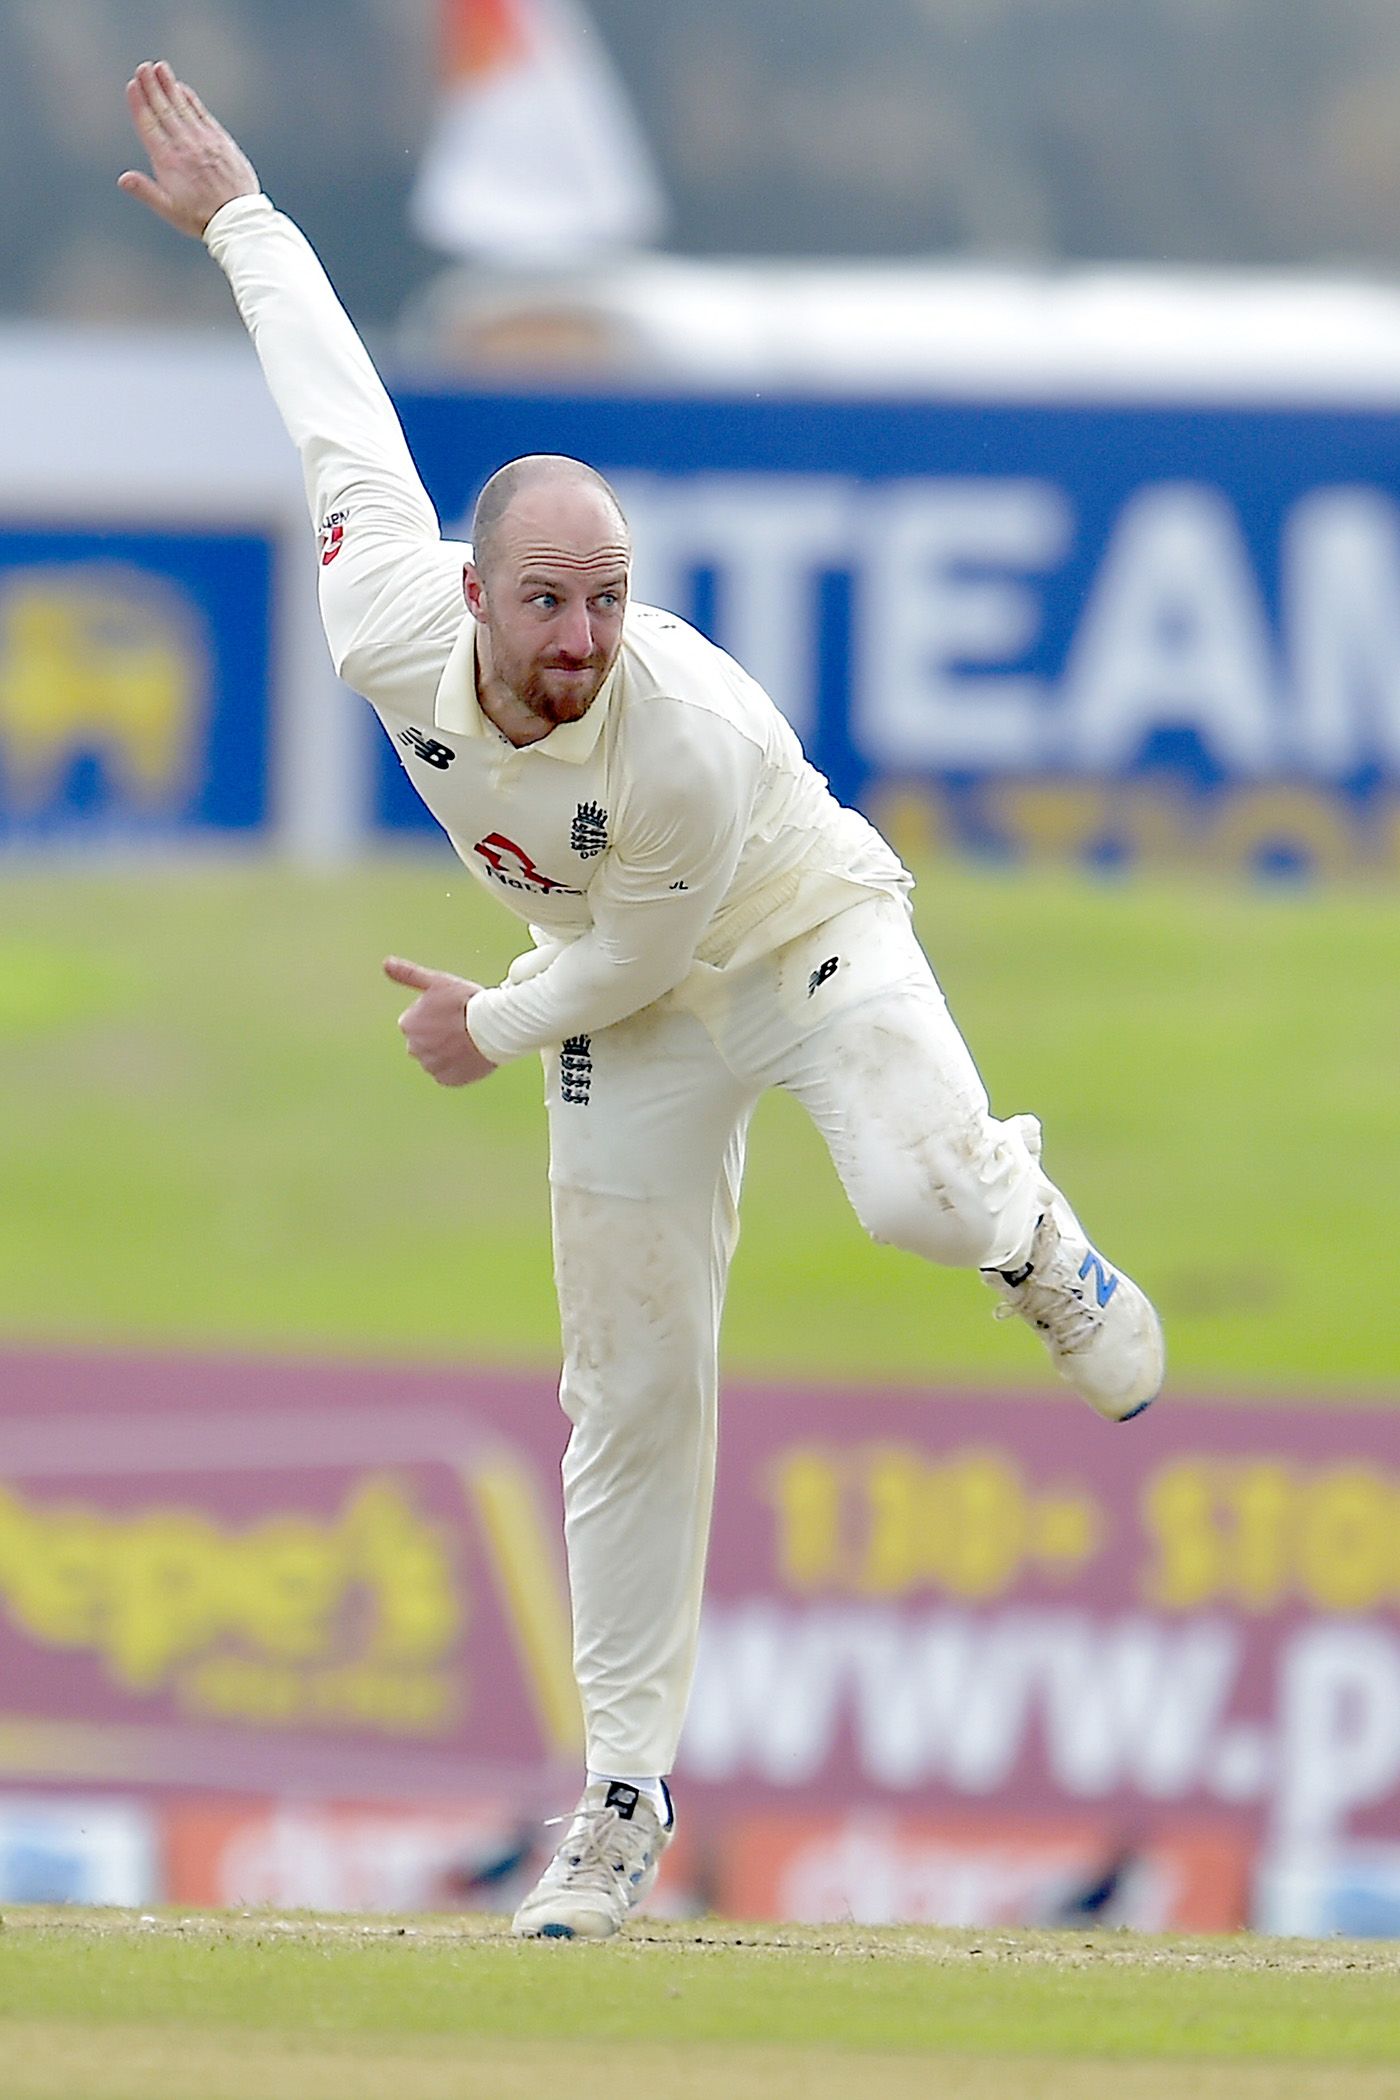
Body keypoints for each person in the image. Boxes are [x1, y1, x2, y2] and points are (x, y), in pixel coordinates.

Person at [121, 60, 1165, 1941]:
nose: (581, 640)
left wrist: (488, 1026)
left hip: (787, 930)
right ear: (480, 592)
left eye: (607, 599)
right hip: (621, 1000)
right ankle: (616, 1807)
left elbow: (644, 957)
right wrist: (244, 219)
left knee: (913, 1200)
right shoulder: (386, 617)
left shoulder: (672, 742)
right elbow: (338, 414)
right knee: (631, 1393)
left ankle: (1034, 1239)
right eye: (548, 602)